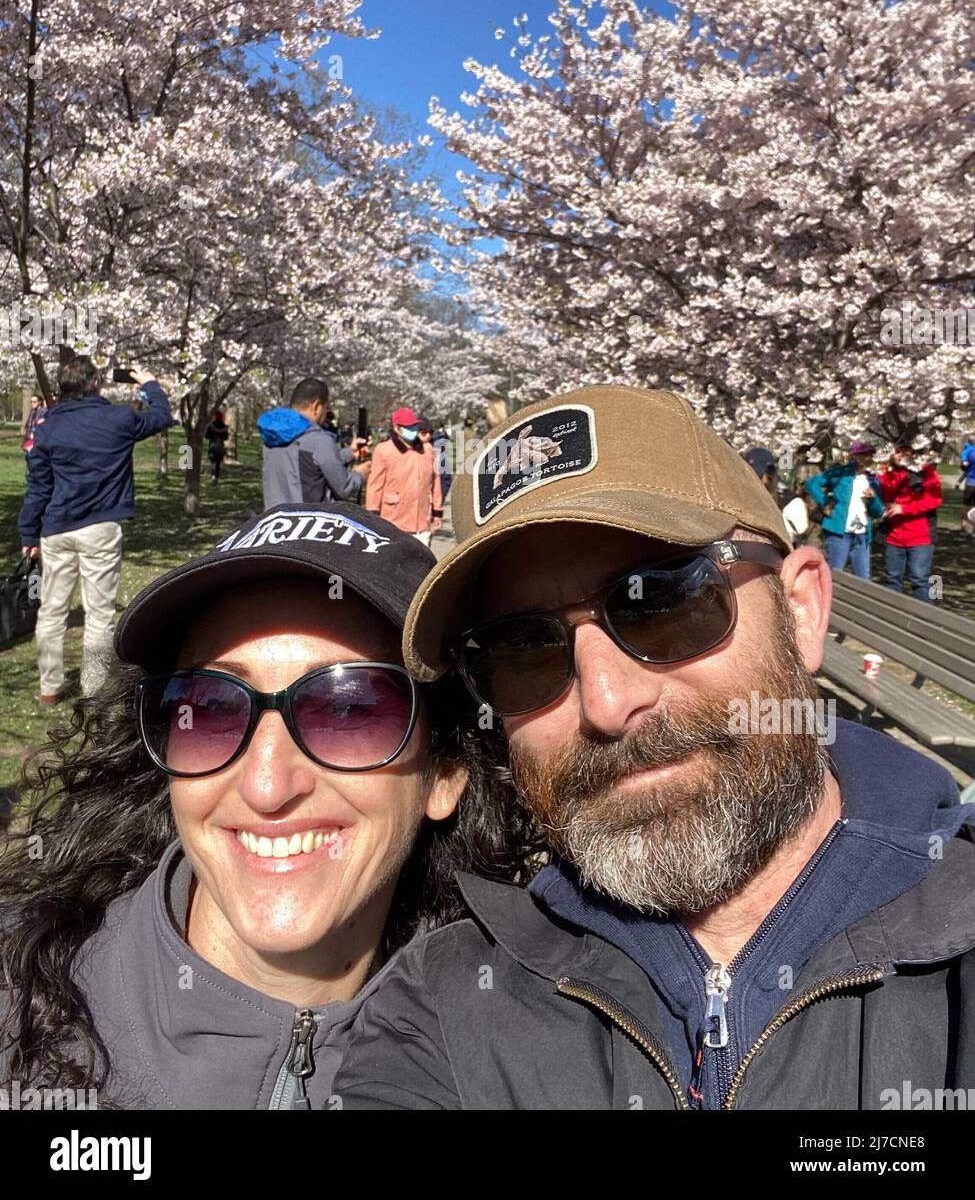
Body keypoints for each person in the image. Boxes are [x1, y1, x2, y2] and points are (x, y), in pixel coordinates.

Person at [333, 384, 975, 1110]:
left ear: (800, 611)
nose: (607, 703)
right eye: (521, 650)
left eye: (664, 602)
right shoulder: (441, 1012)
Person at [0, 502, 537, 1108]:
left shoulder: (514, 1061)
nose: (267, 786)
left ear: (444, 771)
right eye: (212, 707)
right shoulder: (17, 998)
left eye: (349, 709)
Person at [17, 356, 173, 704]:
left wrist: (29, 534)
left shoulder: (48, 427)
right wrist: (148, 383)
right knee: (99, 614)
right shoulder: (119, 419)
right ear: (97, 384)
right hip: (101, 528)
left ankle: (50, 686)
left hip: (57, 528)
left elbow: (38, 487)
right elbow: (162, 417)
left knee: (52, 610)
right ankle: (95, 687)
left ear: (62, 388)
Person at [258, 378, 369, 509]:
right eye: (326, 407)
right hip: (307, 518)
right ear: (316, 406)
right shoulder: (319, 440)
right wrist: (359, 474)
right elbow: (344, 487)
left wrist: (350, 452)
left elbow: (309, 463)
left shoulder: (274, 435)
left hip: (275, 516)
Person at [805, 440, 884, 579]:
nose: (865, 458)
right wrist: (826, 502)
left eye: (869, 454)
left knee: (864, 579)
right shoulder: (841, 472)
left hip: (862, 536)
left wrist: (873, 498)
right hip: (840, 533)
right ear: (854, 456)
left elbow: (878, 512)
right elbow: (812, 483)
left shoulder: (873, 480)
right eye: (861, 454)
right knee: (834, 574)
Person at [366, 407, 443, 547]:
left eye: (414, 425)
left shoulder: (428, 450)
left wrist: (437, 512)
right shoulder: (383, 450)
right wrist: (372, 517)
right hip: (392, 523)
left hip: (422, 524)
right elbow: (375, 486)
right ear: (397, 428)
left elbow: (435, 481)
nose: (413, 429)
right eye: (408, 427)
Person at [876, 445, 942, 603]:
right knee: (892, 578)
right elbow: (885, 496)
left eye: (905, 452)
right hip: (894, 536)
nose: (901, 455)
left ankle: (925, 614)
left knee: (920, 578)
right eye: (897, 452)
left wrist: (904, 509)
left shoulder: (925, 471)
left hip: (920, 537)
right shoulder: (889, 473)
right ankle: (893, 613)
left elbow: (934, 500)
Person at [20, 393, 47, 474]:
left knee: (35, 461)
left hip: (38, 440)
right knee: (28, 459)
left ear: (40, 402)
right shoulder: (32, 412)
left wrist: (35, 434)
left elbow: (43, 425)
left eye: (34, 402)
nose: (32, 403)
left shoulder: (44, 412)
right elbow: (29, 425)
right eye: (31, 402)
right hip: (29, 439)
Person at [205, 409, 230, 483]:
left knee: (213, 461)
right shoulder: (223, 426)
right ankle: (216, 477)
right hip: (220, 446)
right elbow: (226, 437)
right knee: (218, 462)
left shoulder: (211, 426)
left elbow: (207, 436)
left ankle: (213, 475)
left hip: (212, 445)